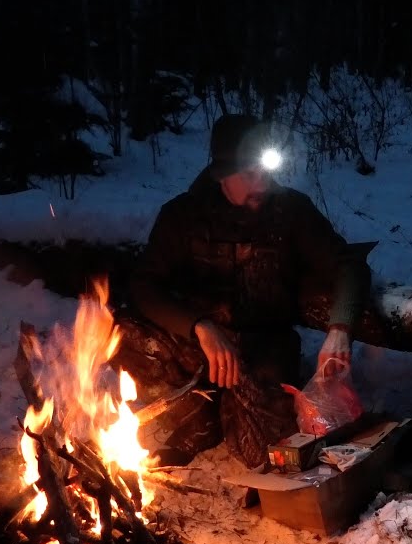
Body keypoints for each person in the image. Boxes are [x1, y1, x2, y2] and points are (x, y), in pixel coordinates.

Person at [111, 114, 371, 468]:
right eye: (249, 173)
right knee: (123, 333)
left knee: (262, 452)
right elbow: (144, 285)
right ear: (222, 175)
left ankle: (225, 407)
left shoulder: (291, 211)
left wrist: (340, 328)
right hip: (199, 344)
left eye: (265, 171)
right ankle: (196, 411)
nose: (261, 183)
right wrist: (199, 325)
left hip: (261, 347)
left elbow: (349, 264)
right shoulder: (183, 215)